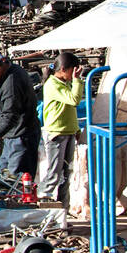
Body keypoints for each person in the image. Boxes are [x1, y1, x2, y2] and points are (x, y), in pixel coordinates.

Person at [0, 51, 41, 178]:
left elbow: (10, 116)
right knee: (4, 174)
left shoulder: (11, 83)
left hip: (21, 137)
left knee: (16, 179)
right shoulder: (8, 73)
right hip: (12, 135)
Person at [40, 52, 83, 224]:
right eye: (73, 71)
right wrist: (78, 81)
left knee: (66, 174)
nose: (74, 74)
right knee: (54, 173)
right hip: (56, 134)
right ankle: (44, 209)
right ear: (64, 70)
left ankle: (62, 215)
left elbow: (69, 111)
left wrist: (76, 129)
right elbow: (74, 100)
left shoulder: (64, 83)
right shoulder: (53, 85)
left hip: (68, 133)